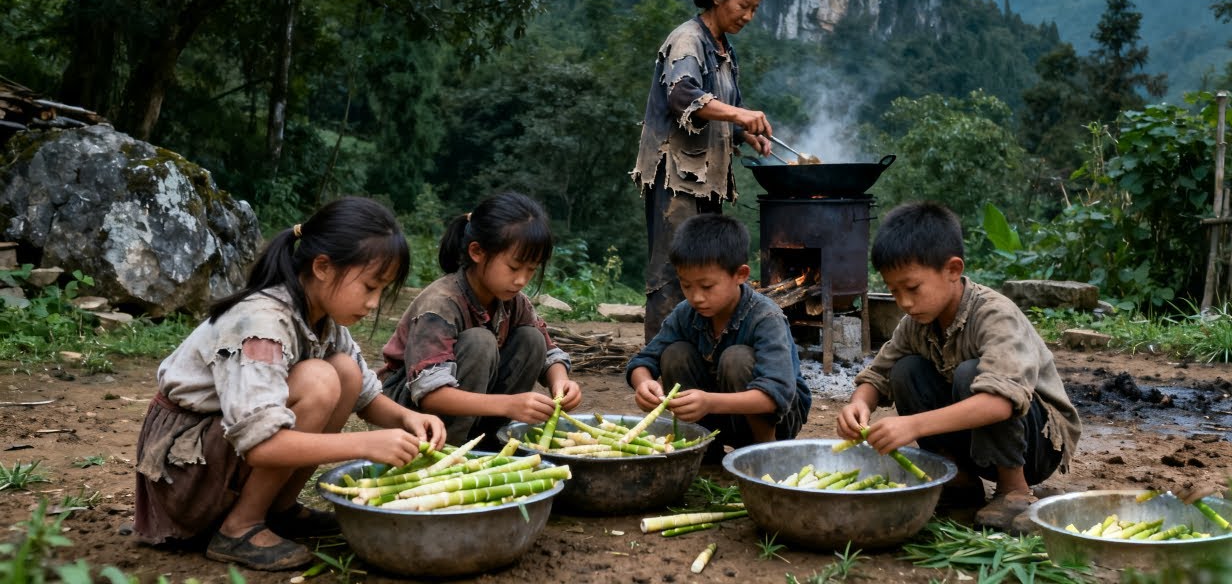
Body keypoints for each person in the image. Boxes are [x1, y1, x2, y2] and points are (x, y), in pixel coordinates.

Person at [133, 197, 447, 571]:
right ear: (323, 267)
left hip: (221, 456)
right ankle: (239, 527)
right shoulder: (261, 325)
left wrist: (407, 418)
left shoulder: (322, 319)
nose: (373, 303)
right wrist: (366, 444)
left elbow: (364, 395)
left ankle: (277, 509)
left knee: (344, 370)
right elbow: (260, 446)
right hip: (185, 474)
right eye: (369, 287)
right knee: (319, 379)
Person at [837, 202, 1081, 531]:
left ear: (953, 270)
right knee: (905, 370)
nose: (904, 303)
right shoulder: (916, 323)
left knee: (971, 374)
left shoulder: (995, 315)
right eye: (894, 292)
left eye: (913, 288)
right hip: (976, 441)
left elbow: (1000, 403)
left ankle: (1014, 490)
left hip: (1037, 446)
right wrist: (859, 404)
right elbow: (879, 374)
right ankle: (960, 482)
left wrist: (913, 426)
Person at [630, 0, 776, 343]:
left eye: (754, 9)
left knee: (706, 266)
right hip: (676, 175)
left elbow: (723, 111)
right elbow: (682, 95)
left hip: (708, 179)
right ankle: (659, 358)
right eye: (743, 5)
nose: (748, 16)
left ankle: (694, 353)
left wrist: (746, 134)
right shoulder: (688, 40)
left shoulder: (724, 50)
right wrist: (741, 115)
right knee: (672, 268)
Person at [379, 191, 582, 446]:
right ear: (477, 252)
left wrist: (561, 381)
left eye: (531, 270)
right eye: (513, 267)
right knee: (480, 342)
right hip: (410, 410)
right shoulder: (440, 305)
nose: (521, 280)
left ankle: (489, 444)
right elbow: (430, 394)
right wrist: (508, 404)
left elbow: (550, 354)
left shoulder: (513, 301)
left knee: (531, 339)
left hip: (469, 406)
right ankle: (447, 450)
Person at [625, 214, 810, 459]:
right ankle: (704, 451)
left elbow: (775, 396)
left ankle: (763, 452)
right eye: (686, 285)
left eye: (707, 286)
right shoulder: (686, 313)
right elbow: (643, 361)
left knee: (736, 359)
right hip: (713, 412)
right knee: (674, 354)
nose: (696, 297)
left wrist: (710, 402)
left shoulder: (766, 317)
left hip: (778, 418)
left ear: (740, 275)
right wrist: (643, 383)